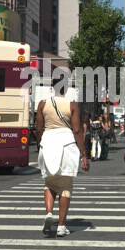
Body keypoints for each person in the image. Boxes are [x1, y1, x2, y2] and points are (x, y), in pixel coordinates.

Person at [36, 91, 89, 238]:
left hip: (47, 143)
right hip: (65, 143)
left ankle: (48, 213)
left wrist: (41, 144)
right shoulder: (72, 105)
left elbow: (39, 128)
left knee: (49, 183)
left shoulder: (42, 104)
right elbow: (77, 130)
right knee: (65, 187)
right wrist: (84, 153)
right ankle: (61, 226)